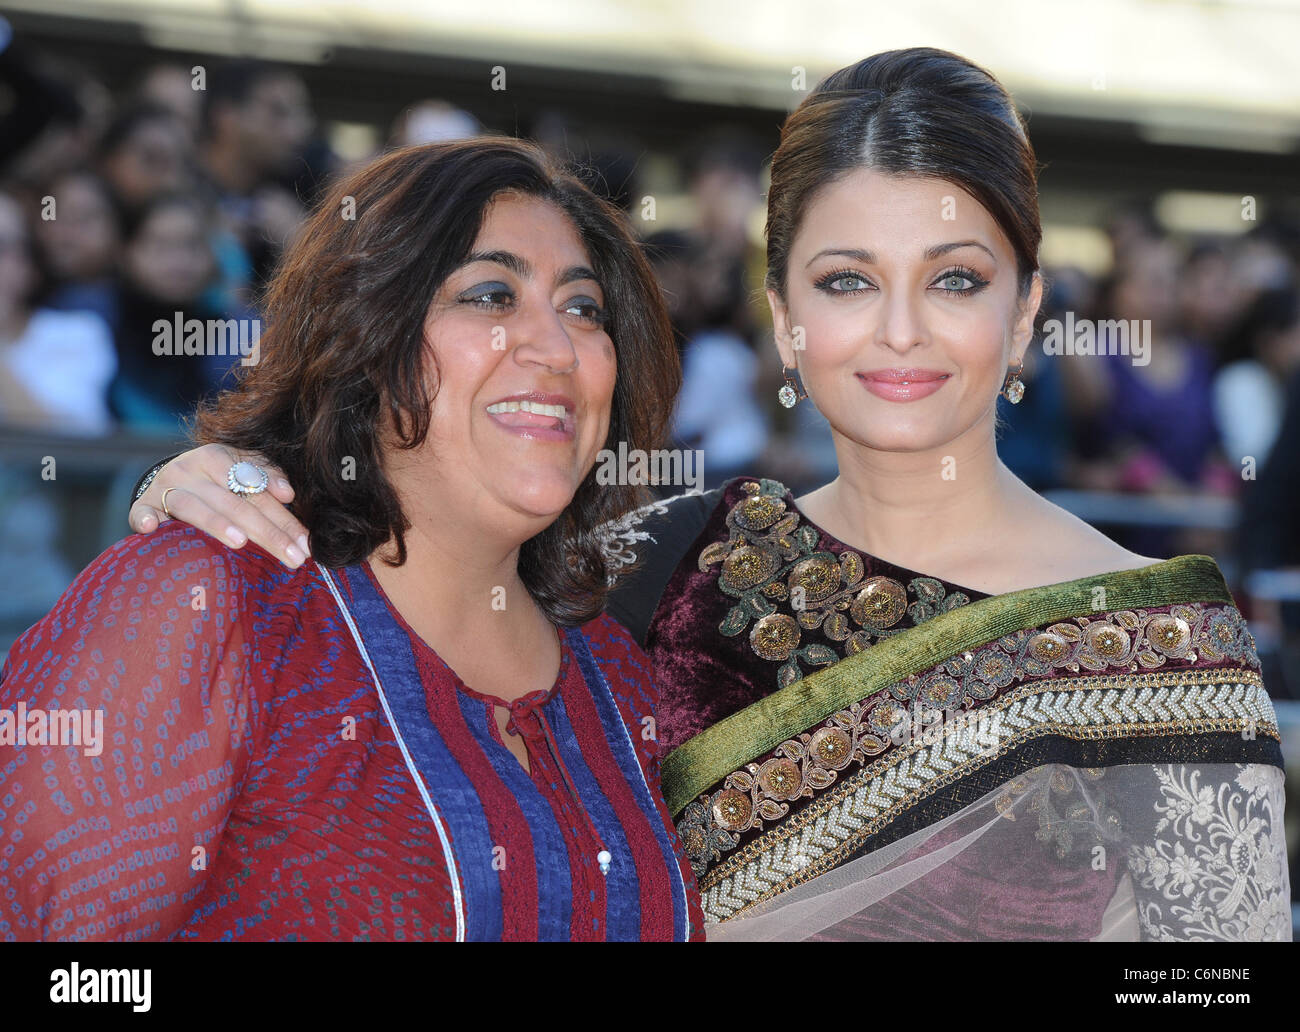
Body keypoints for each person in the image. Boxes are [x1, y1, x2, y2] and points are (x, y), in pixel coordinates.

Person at [125, 49, 1290, 941]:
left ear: (1025, 310)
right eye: (845, 280)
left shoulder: (1160, 644)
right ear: (783, 314)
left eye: (954, 280)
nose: (898, 332)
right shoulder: (662, 559)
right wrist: (230, 478)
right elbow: (396, 590)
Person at [0, 137, 703, 941]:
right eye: (489, 296)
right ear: (367, 335)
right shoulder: (215, 605)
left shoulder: (625, 673)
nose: (556, 347)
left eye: (583, 309)